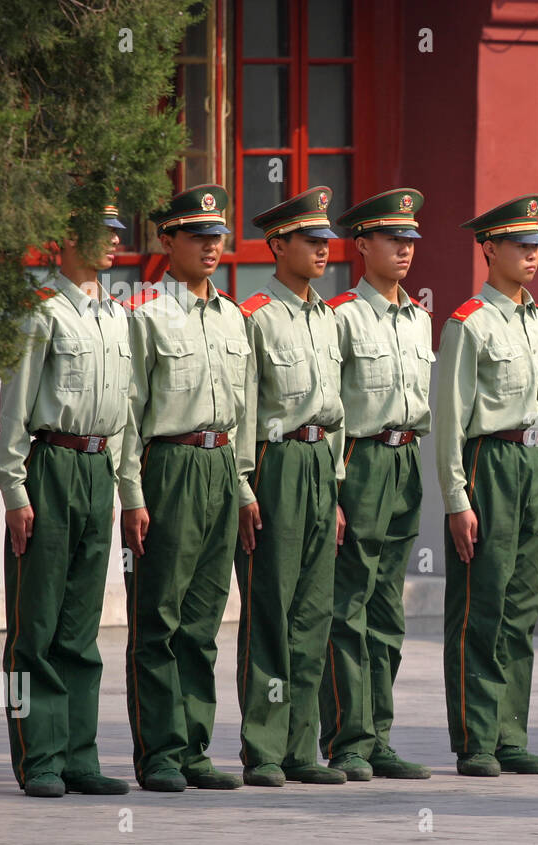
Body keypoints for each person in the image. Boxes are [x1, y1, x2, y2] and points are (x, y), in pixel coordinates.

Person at [0, 197, 133, 798]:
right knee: (38, 623)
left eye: (116, 232)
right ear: (64, 239)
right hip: (49, 466)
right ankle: (40, 757)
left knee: (81, 626)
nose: (112, 242)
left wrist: (130, 491)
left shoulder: (116, 317)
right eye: (98, 232)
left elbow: (124, 413)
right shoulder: (41, 313)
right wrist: (15, 490)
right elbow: (15, 409)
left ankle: (79, 754)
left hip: (98, 468)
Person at [117, 184, 248, 792]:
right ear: (166, 240)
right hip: (168, 467)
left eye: (217, 236)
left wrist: (244, 489)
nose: (211, 246)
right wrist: (133, 494)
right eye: (198, 236)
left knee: (203, 619)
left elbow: (244, 415)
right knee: (159, 616)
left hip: (220, 466)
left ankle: (195, 747)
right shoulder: (146, 316)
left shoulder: (232, 316)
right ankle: (160, 753)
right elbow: (129, 413)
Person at [435, 194, 538, 777]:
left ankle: (512, 733)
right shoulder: (468, 323)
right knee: (481, 605)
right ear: (489, 249)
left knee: (520, 608)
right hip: (488, 461)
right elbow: (450, 418)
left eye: (536, 245)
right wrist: (457, 499)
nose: (532, 255)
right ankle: (476, 739)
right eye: (520, 245)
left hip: (532, 464)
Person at [318, 188, 434, 781]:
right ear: (362, 244)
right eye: (394, 239)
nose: (406, 250)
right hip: (359, 462)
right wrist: (336, 488)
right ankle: (347, 739)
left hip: (405, 458)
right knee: (349, 604)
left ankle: (380, 734)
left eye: (411, 239)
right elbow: (333, 407)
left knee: (389, 607)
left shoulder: (420, 318)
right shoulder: (341, 316)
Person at [235, 186, 347, 786]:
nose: (324, 250)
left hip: (317, 464)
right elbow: (242, 410)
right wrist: (244, 487)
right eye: (311, 240)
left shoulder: (327, 319)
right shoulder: (255, 316)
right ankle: (265, 747)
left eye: (326, 240)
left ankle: (305, 747)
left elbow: (339, 410)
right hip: (275, 463)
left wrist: (336, 484)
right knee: (270, 612)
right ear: (279, 245)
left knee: (312, 615)